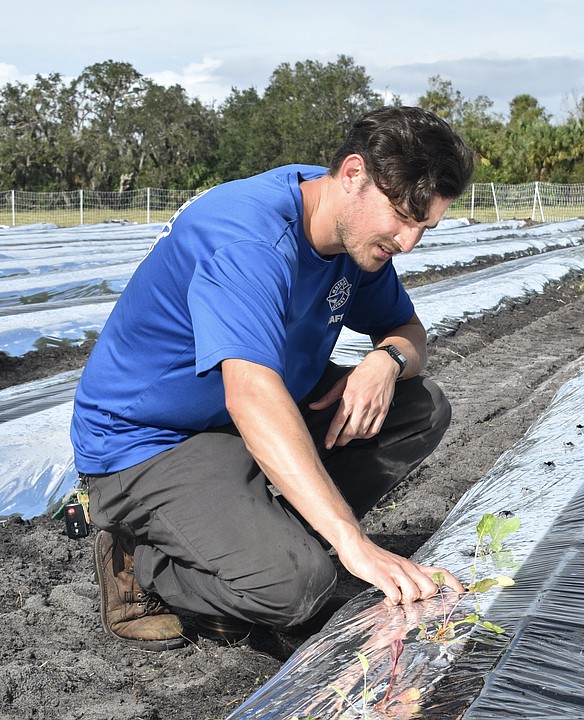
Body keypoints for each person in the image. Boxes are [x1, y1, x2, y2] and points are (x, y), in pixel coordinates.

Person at [70, 106, 475, 650]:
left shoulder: (353, 233)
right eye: (402, 217)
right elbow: (251, 394)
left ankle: (259, 532)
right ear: (353, 174)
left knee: (418, 406)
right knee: (298, 588)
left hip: (248, 413)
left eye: (423, 227)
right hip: (151, 440)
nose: (407, 242)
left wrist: (386, 361)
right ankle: (147, 559)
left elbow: (407, 330)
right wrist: (352, 543)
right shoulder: (248, 238)